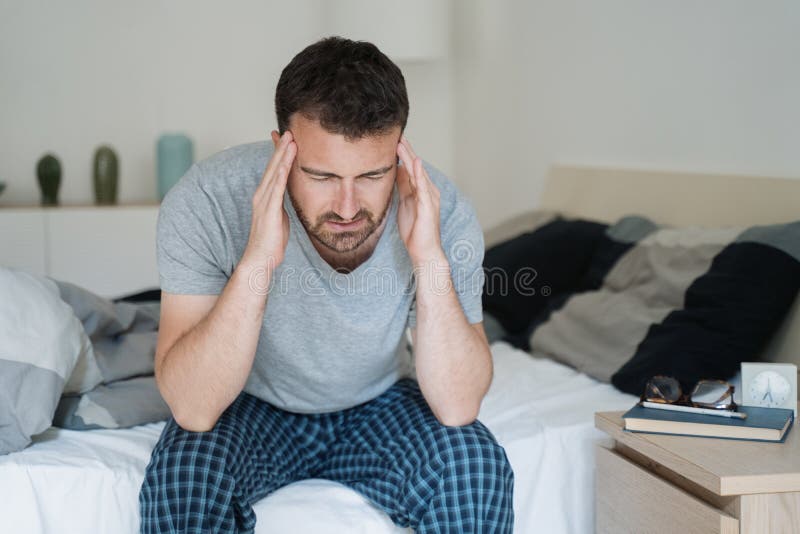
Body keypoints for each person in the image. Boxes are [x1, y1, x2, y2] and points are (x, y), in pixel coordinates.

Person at [139, 36, 514, 533]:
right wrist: (257, 261)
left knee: (475, 465)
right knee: (185, 478)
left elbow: (458, 404)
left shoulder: (443, 210)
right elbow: (193, 407)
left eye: (373, 175)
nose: (346, 206)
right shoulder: (206, 199)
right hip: (251, 405)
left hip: (376, 405)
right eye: (321, 176)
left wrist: (428, 257)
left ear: (400, 153)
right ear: (282, 149)